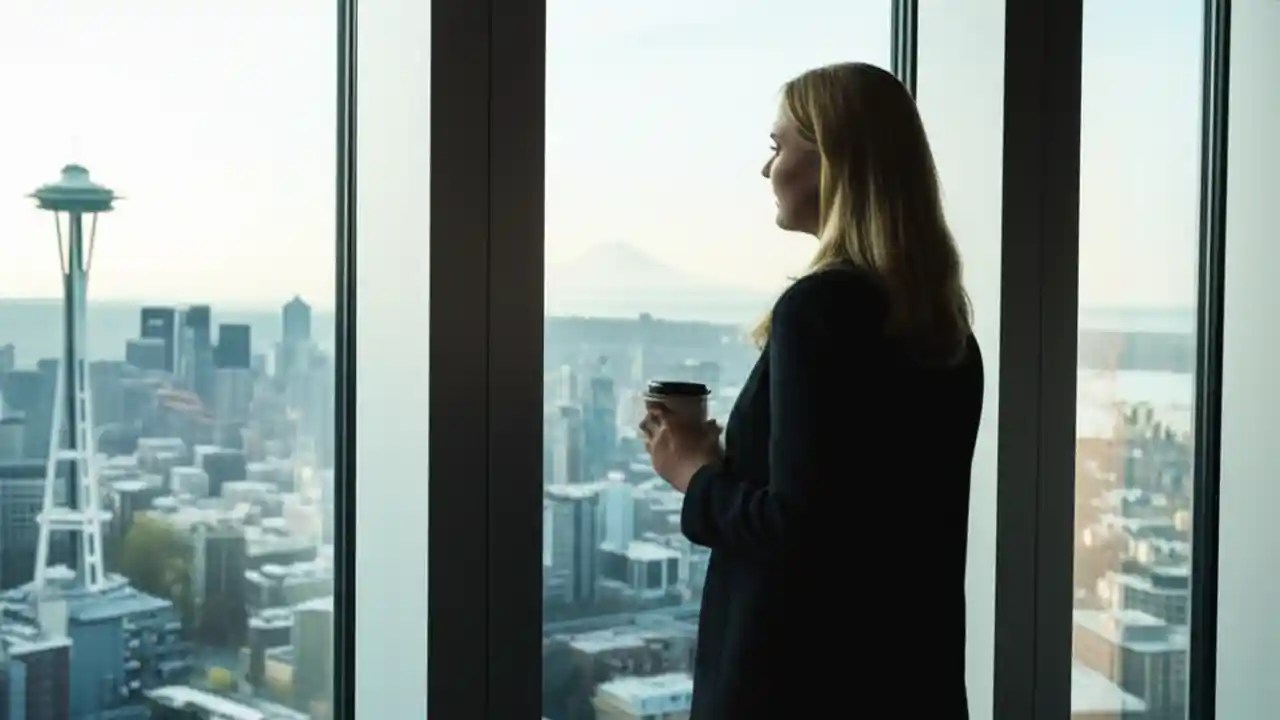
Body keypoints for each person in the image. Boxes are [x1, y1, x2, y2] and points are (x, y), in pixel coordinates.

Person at [640, 62, 984, 719]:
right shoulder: (944, 330)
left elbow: (803, 531)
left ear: (833, 159)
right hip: (909, 682)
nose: (765, 169)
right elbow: (870, 519)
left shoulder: (823, 310)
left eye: (778, 147)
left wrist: (693, 474)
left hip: (795, 685)